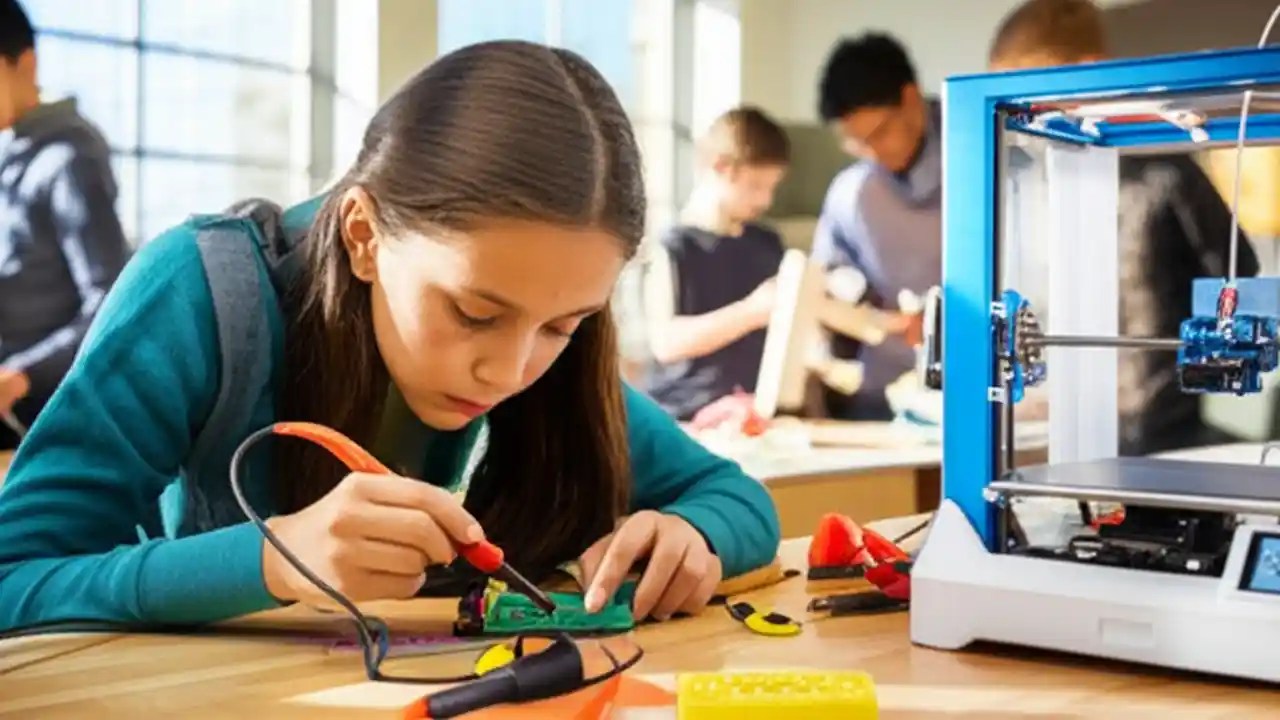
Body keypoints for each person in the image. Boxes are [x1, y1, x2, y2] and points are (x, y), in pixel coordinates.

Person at [0, 41, 781, 631]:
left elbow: (736, 498)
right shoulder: (201, 291)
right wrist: (269, 558)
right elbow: (14, 578)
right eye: (474, 313)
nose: (509, 370)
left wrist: (689, 532)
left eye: (564, 327)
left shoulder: (539, 339)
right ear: (364, 234)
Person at [989, 0, 1260, 455]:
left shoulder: (1166, 168)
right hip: (1069, 422)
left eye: (1035, 85)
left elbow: (1237, 270)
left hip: (1162, 429)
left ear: (1088, 70)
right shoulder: (1040, 173)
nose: (1026, 107)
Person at [0, 0, 130, 448]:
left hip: (38, 409)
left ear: (25, 63)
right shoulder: (14, 156)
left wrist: (19, 377)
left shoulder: (70, 162)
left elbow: (109, 303)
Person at [811, 33, 941, 421]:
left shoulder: (983, 153)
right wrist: (854, 296)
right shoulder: (851, 193)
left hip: (971, 387)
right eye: (856, 143)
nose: (872, 152)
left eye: (880, 133)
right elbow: (828, 278)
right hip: (882, 391)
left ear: (911, 98)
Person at [641, 106, 788, 420]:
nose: (766, 201)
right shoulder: (673, 249)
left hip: (755, 418)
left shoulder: (767, 243)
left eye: (771, 188)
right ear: (721, 167)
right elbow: (665, 342)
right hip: (683, 418)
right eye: (756, 186)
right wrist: (751, 311)